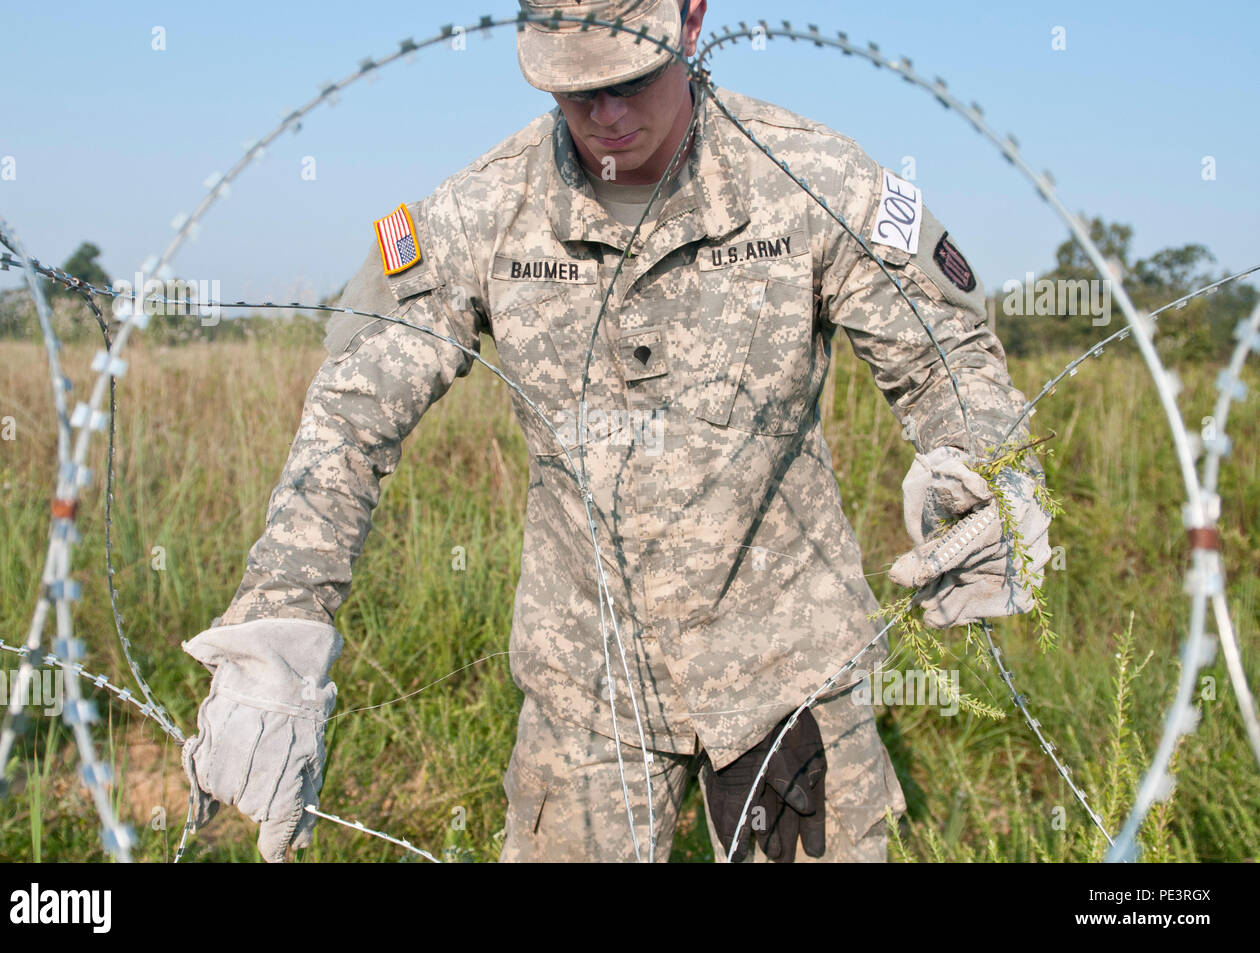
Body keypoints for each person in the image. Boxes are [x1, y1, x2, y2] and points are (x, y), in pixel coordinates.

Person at [180, 0, 1051, 863]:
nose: (607, 116)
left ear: (692, 22)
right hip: (584, 697)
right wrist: (280, 622)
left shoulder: (814, 180)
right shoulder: (483, 210)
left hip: (787, 675)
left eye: (631, 79)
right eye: (574, 91)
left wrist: (984, 470)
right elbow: (350, 418)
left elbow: (944, 356)